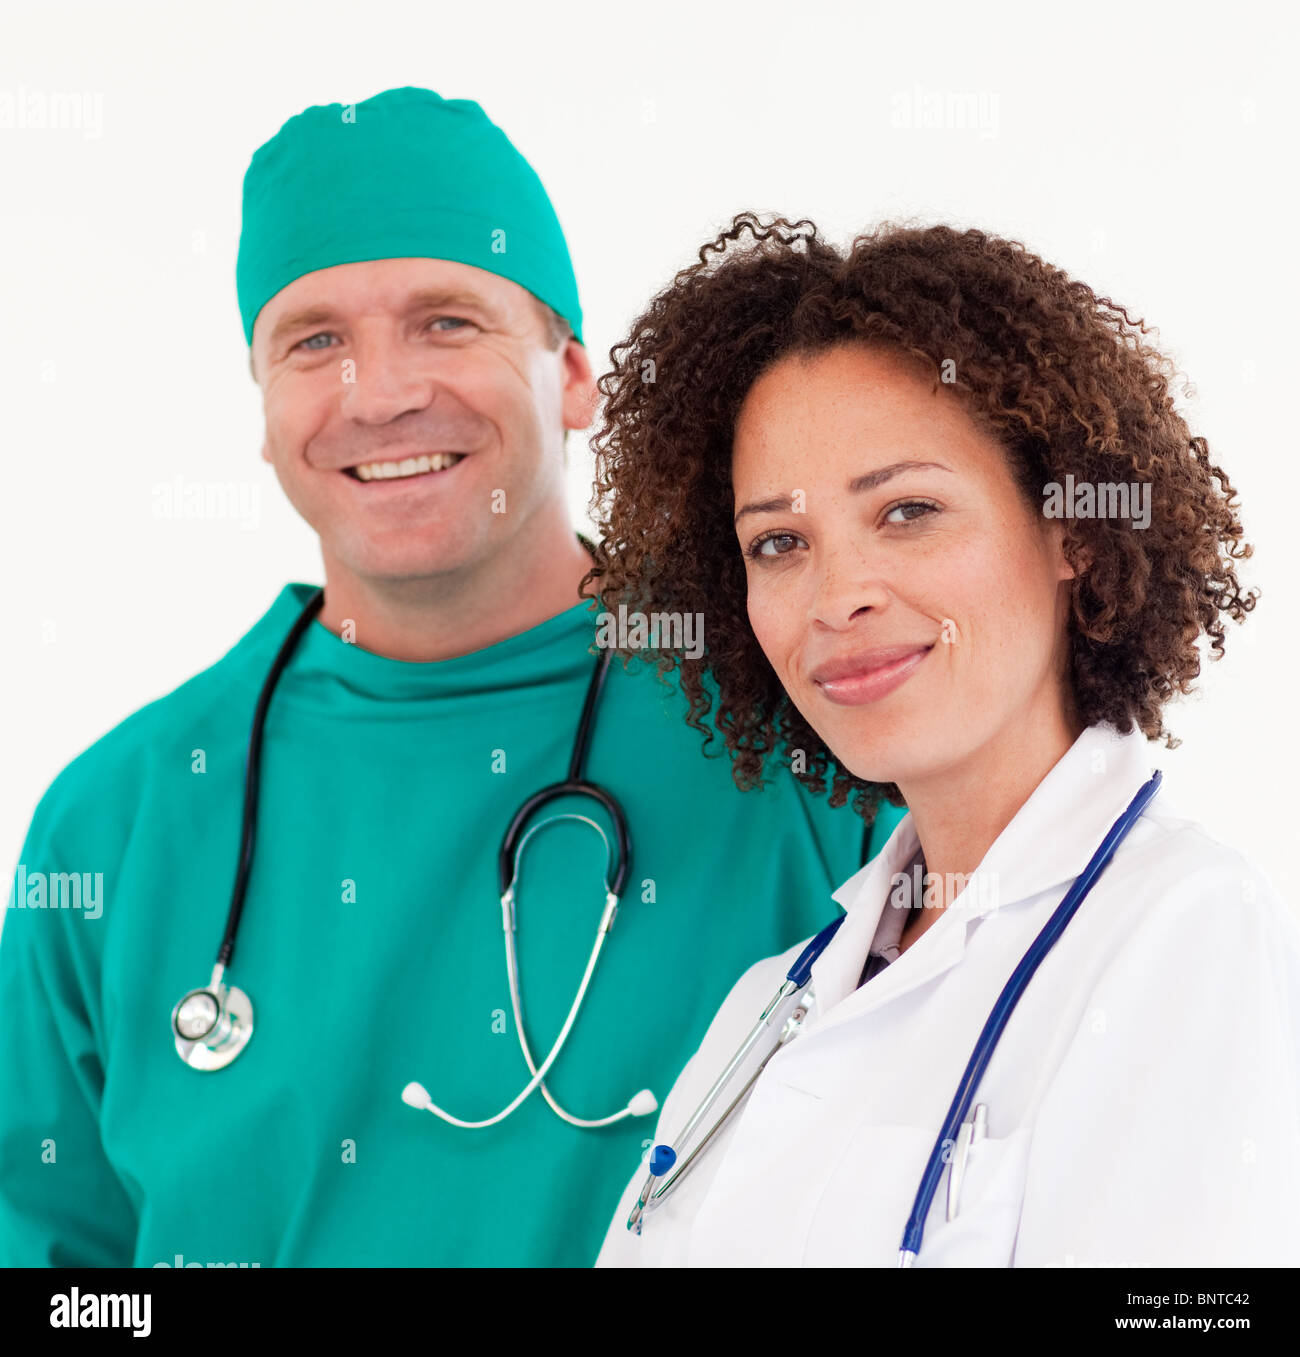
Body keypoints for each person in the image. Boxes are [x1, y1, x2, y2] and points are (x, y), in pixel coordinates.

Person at [0, 98, 900, 1269]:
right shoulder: (120, 816)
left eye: (446, 321)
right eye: (312, 341)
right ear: (264, 412)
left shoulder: (799, 735)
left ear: (572, 373)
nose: (378, 393)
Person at [588, 214, 1300, 1267]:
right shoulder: (771, 999)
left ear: (1073, 534)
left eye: (908, 509)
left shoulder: (1190, 934)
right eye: (778, 543)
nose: (838, 597)